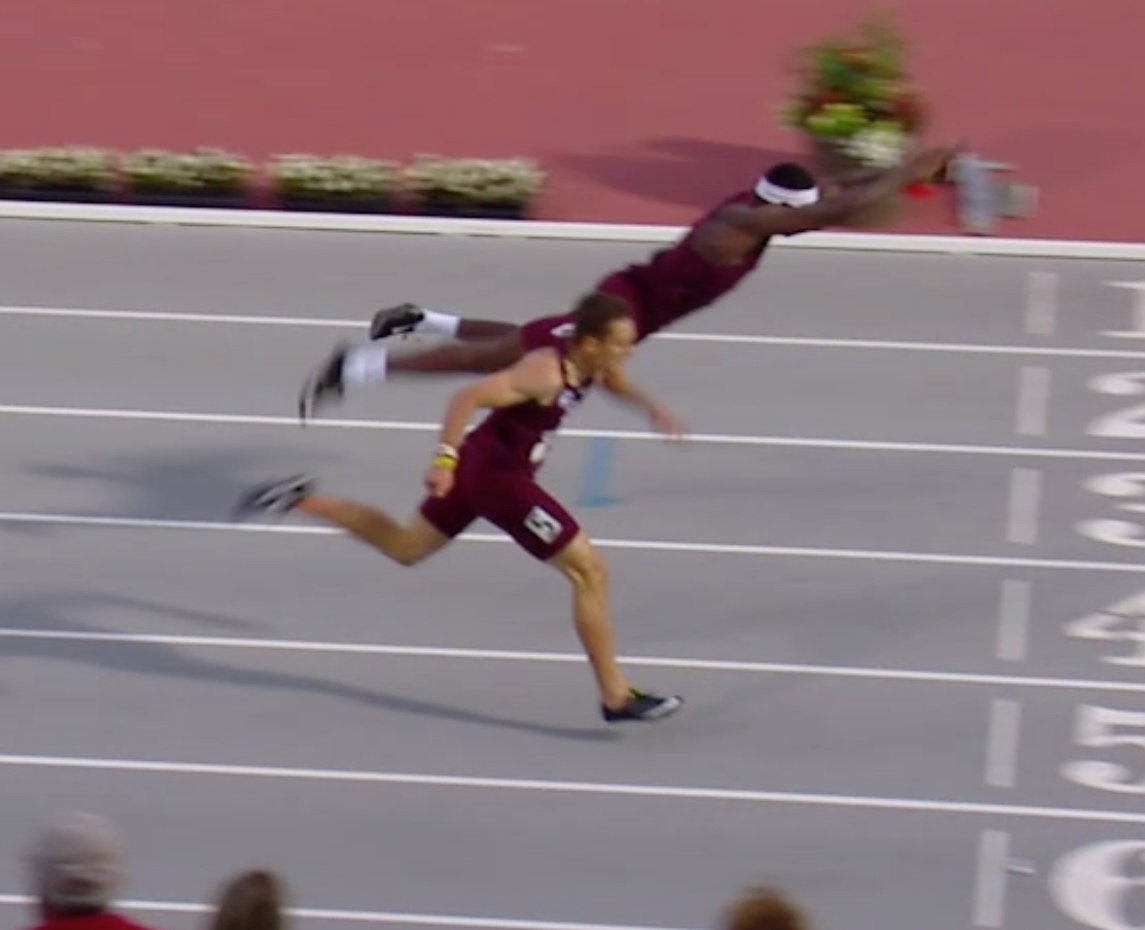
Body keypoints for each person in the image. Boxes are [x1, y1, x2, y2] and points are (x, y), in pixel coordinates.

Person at [236, 292, 686, 723]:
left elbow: (610, 375)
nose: (628, 355)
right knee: (590, 572)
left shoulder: (579, 347)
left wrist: (650, 407)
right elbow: (466, 397)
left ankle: (298, 499)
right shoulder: (544, 372)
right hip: (499, 480)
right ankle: (615, 695)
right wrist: (443, 462)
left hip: (481, 466)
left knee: (406, 547)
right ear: (590, 343)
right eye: (622, 347)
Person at [297, 146, 955, 420]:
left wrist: (917, 164)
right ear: (778, 208)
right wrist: (917, 164)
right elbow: (836, 207)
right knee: (504, 358)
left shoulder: (768, 216)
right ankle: (358, 366)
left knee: (524, 338)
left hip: (633, 305)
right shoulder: (741, 224)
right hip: (621, 310)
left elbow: (840, 195)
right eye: (800, 212)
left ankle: (421, 319)